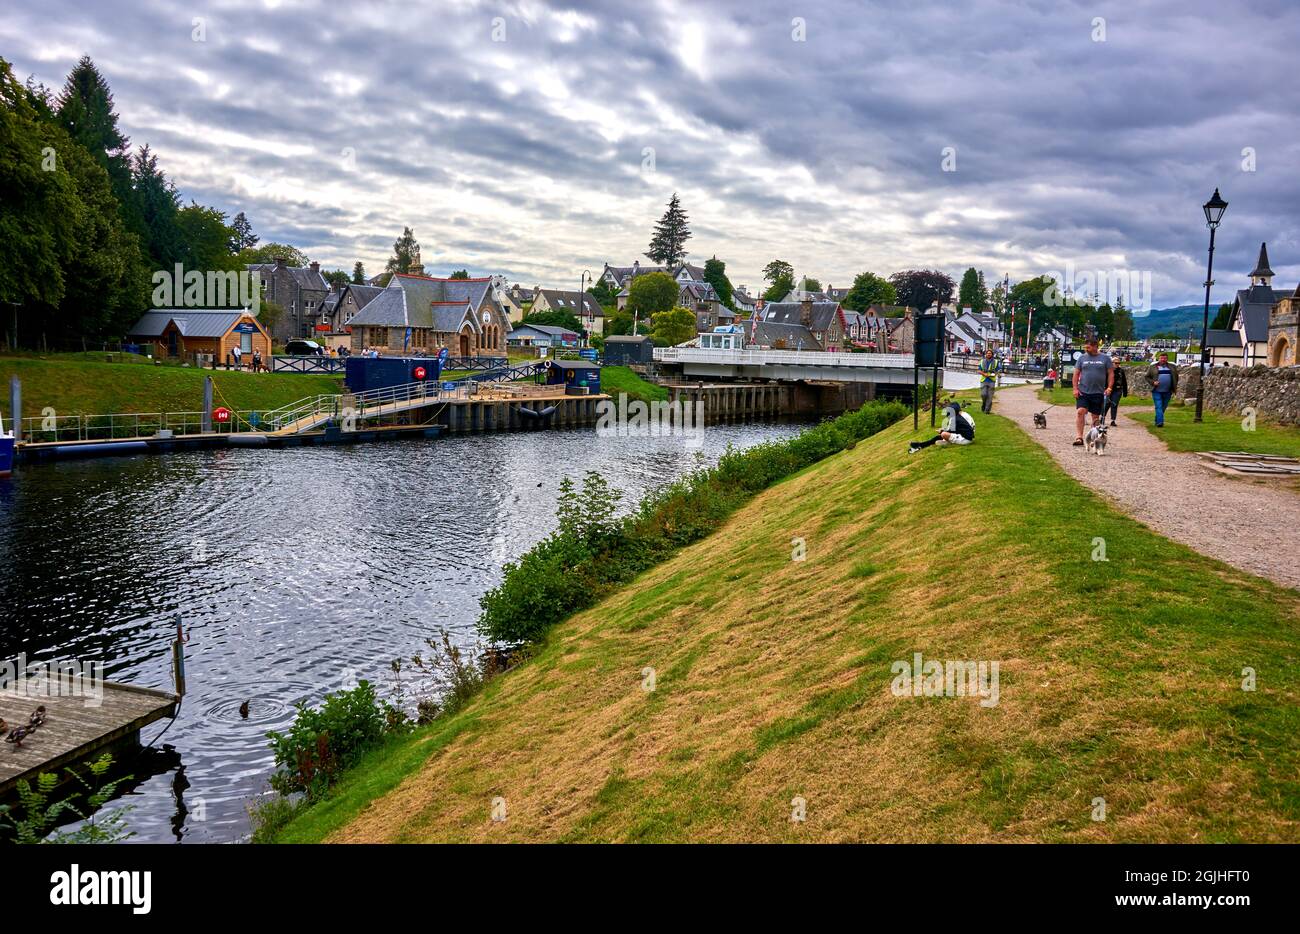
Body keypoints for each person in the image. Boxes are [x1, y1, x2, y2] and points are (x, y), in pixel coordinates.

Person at [1072, 337, 1113, 447]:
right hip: (1083, 391)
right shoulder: (1082, 358)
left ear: (1095, 346)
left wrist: (1109, 387)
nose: (1086, 349)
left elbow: (1111, 374)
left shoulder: (1105, 358)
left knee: (1095, 418)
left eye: (1088, 347)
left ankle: (1093, 439)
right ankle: (1079, 437)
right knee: (1080, 411)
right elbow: (1076, 374)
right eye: (1085, 347)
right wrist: (1075, 388)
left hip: (1098, 392)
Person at [909, 400, 974, 453]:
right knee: (940, 435)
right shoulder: (961, 416)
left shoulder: (956, 418)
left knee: (943, 434)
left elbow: (952, 430)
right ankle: (921, 445)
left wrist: (942, 431)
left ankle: (947, 442)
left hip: (965, 438)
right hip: (966, 435)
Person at [1145, 352, 1178, 428]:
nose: (1163, 360)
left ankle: (1157, 420)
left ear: (1167, 359)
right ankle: (1160, 422)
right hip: (1156, 391)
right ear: (1158, 358)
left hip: (1168, 391)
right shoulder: (1153, 367)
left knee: (1164, 407)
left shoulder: (1172, 367)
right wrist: (1153, 382)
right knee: (1158, 406)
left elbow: (1176, 377)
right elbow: (1147, 377)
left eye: (1165, 358)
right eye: (1161, 358)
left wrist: (1174, 386)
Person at [1104, 353, 1128, 426]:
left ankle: (1113, 420)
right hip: (1108, 389)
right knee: (1106, 404)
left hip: (1117, 390)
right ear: (1112, 363)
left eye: (1118, 363)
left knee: (1114, 404)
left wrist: (1125, 392)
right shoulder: (1107, 370)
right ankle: (1102, 417)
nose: (1117, 364)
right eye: (1116, 363)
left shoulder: (1121, 371)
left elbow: (1124, 381)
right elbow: (1103, 380)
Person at [978, 348, 1000, 414]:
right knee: (983, 394)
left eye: (990, 353)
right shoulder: (982, 361)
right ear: (985, 354)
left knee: (990, 397)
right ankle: (984, 404)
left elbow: (997, 370)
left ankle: (987, 411)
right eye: (987, 353)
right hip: (984, 380)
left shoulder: (996, 362)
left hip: (991, 381)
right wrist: (984, 374)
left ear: (992, 354)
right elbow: (979, 370)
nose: (988, 354)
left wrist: (994, 374)